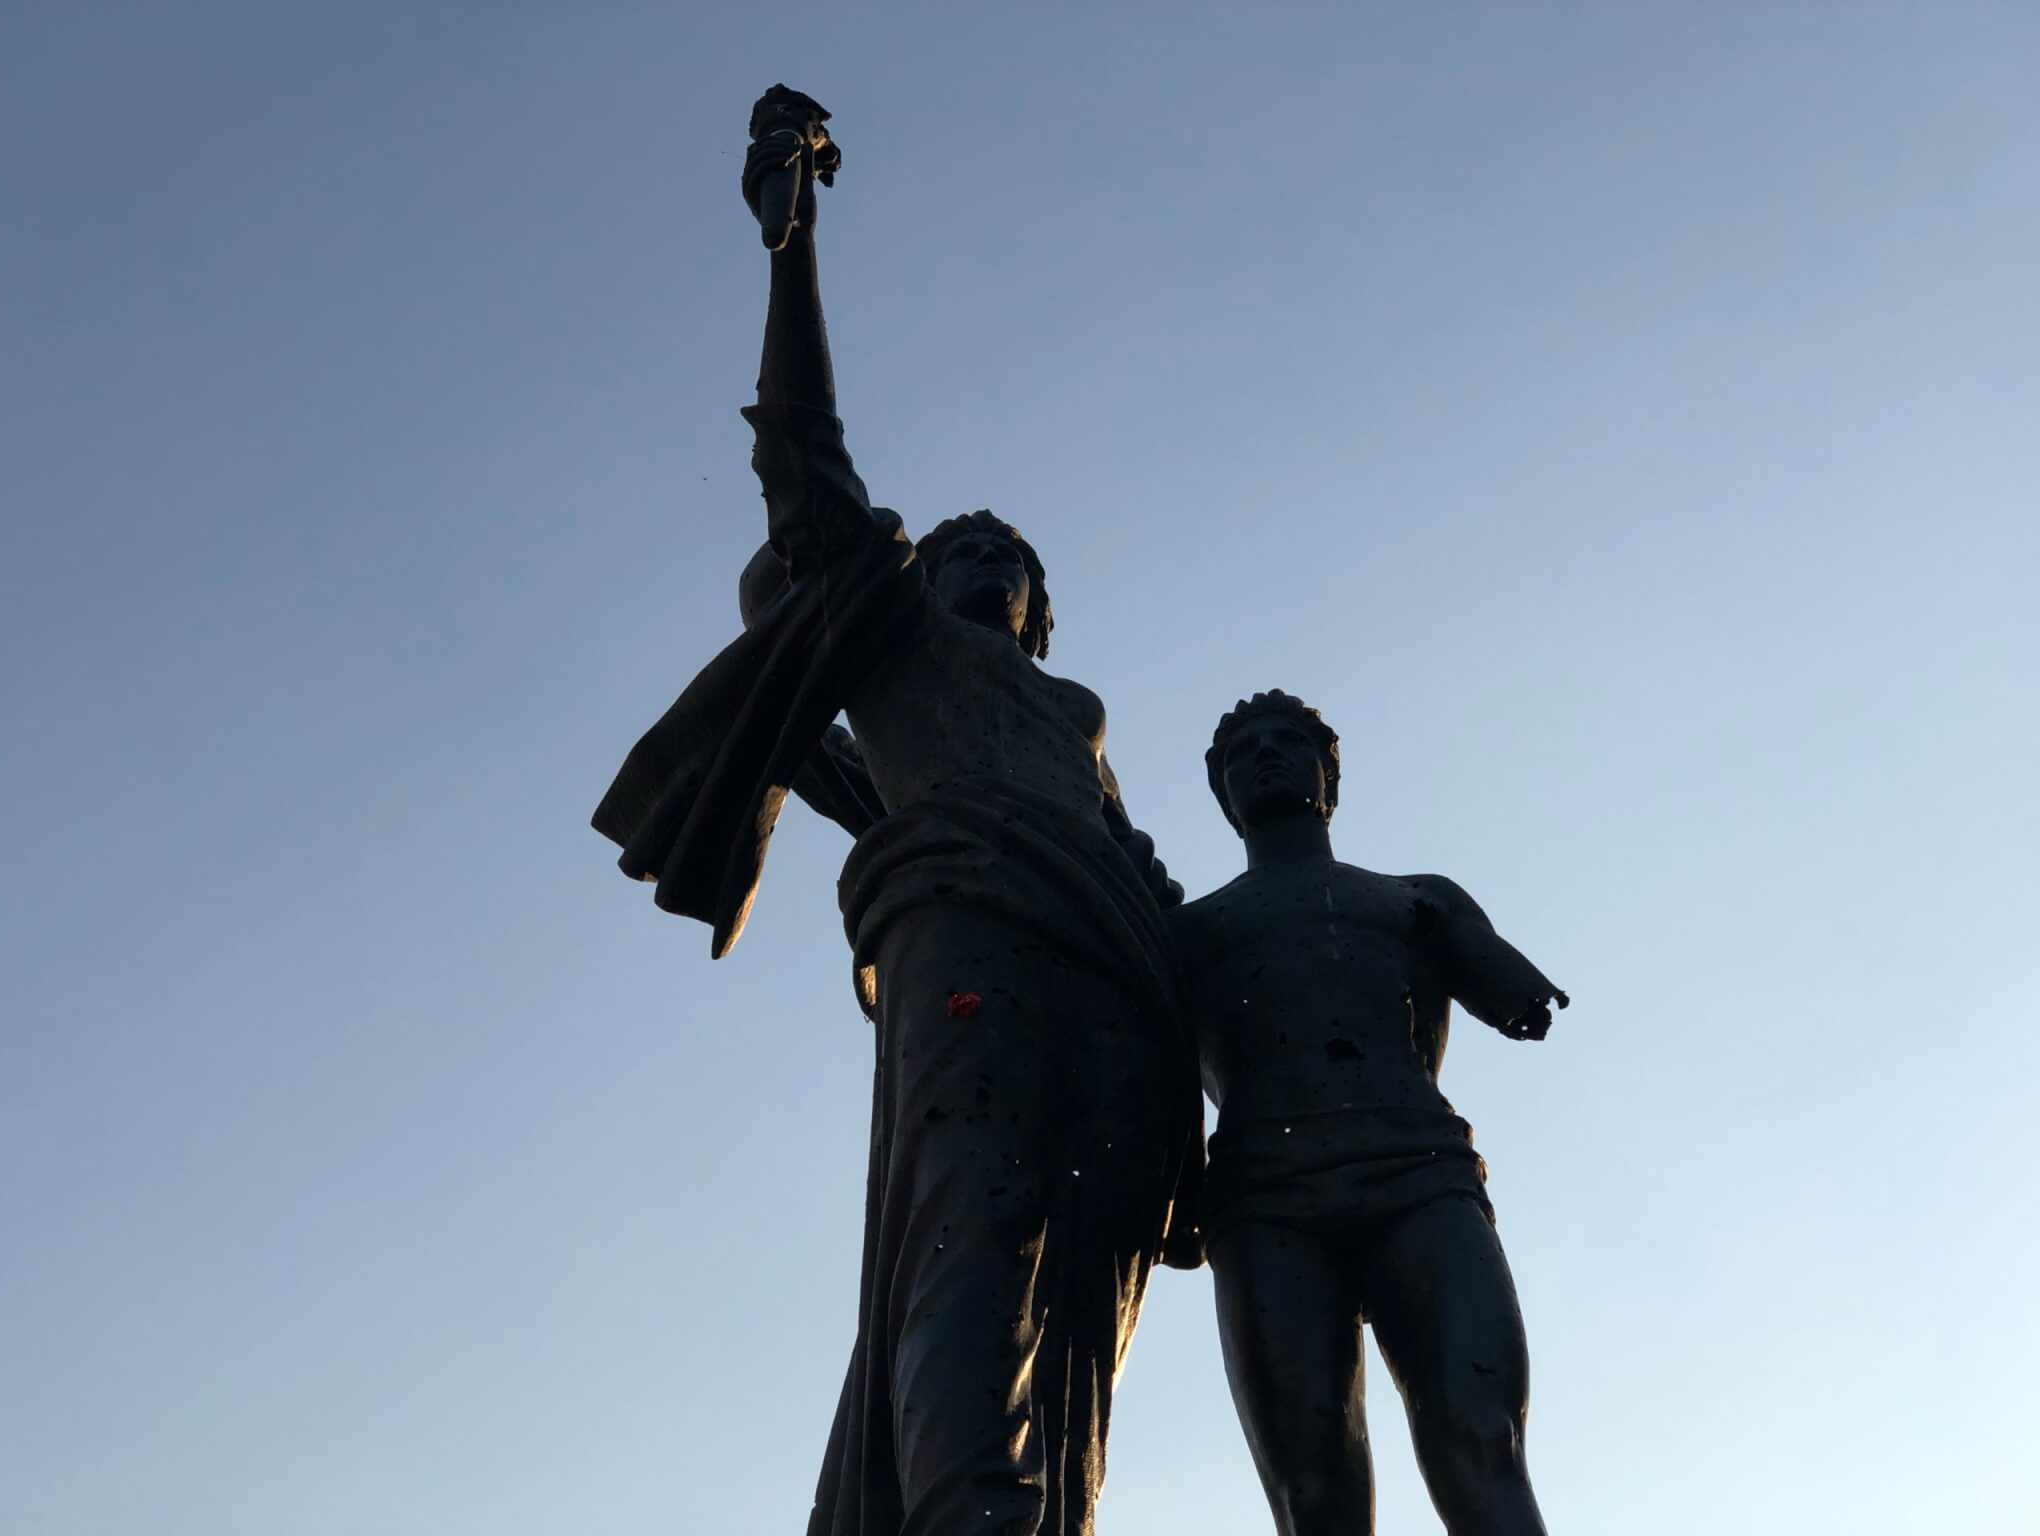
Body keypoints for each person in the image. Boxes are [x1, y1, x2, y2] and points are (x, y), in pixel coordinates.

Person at [592, 89, 1200, 1536]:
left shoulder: (1078, 723)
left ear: (1042, 615)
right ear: (915, 582)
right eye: (965, 544)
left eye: (1013, 556)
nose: (988, 554)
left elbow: (1161, 886)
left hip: (1121, 985)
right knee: (972, 1241)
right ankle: (959, 1517)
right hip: (973, 944)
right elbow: (802, 454)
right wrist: (790, 247)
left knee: (1083, 1321)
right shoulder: (897, 642)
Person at [1169, 690, 1567, 1536]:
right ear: (1223, 793)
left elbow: (1517, 999)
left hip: (1416, 1173)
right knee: (1314, 1494)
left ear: (1331, 776)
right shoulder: (1187, 932)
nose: (1267, 756)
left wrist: (1486, 956)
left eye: (1289, 742)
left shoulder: (1415, 899)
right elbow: (1149, 1082)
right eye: (1244, 752)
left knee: (1480, 1436)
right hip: (1265, 1196)